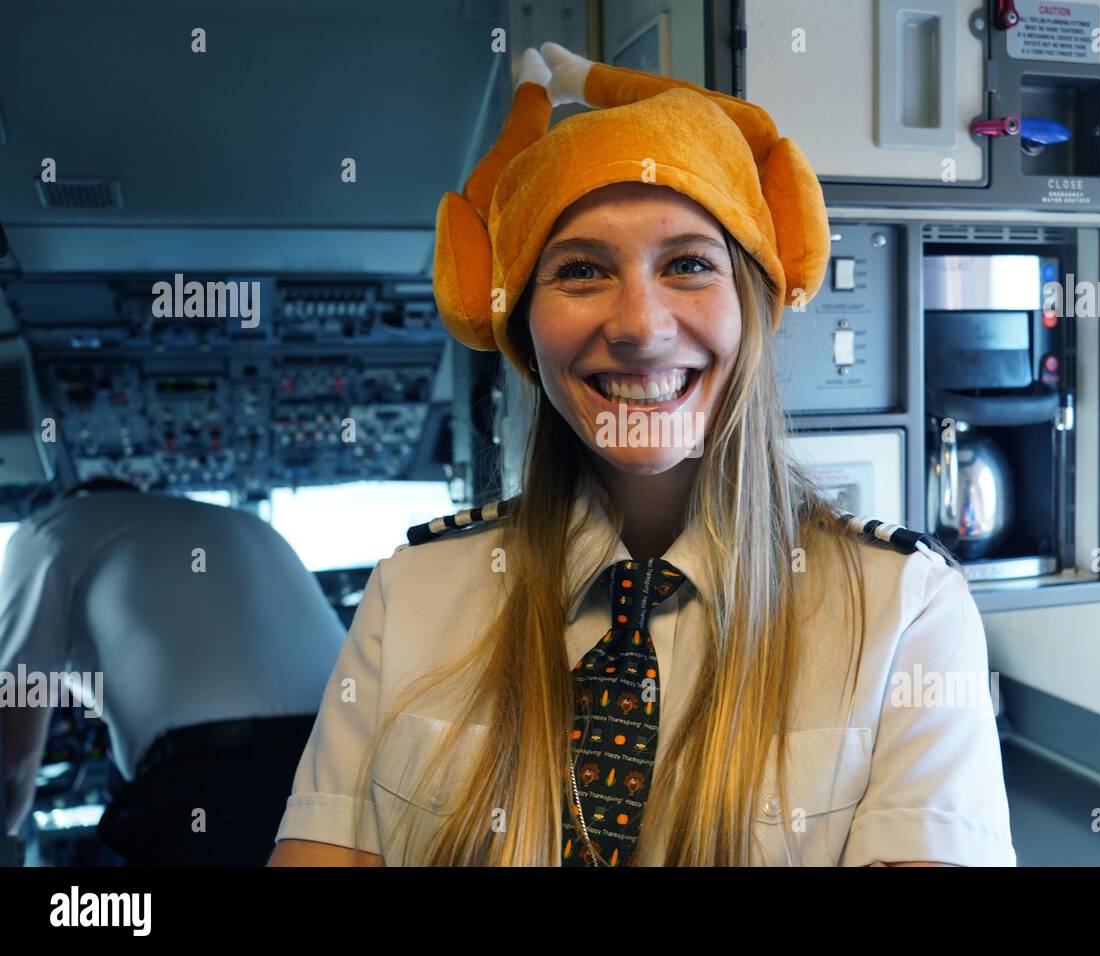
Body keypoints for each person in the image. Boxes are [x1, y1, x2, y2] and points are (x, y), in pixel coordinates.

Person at [269, 41, 1016, 867]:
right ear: (520, 328)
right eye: (581, 270)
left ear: (754, 308)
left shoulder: (906, 610)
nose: (640, 327)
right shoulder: (410, 594)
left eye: (689, 264)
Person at [0, 477, 345, 864]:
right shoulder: (246, 524)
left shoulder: (45, 529)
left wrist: (9, 833)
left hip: (216, 781)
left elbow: (12, 758)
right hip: (349, 761)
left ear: (71, 501)